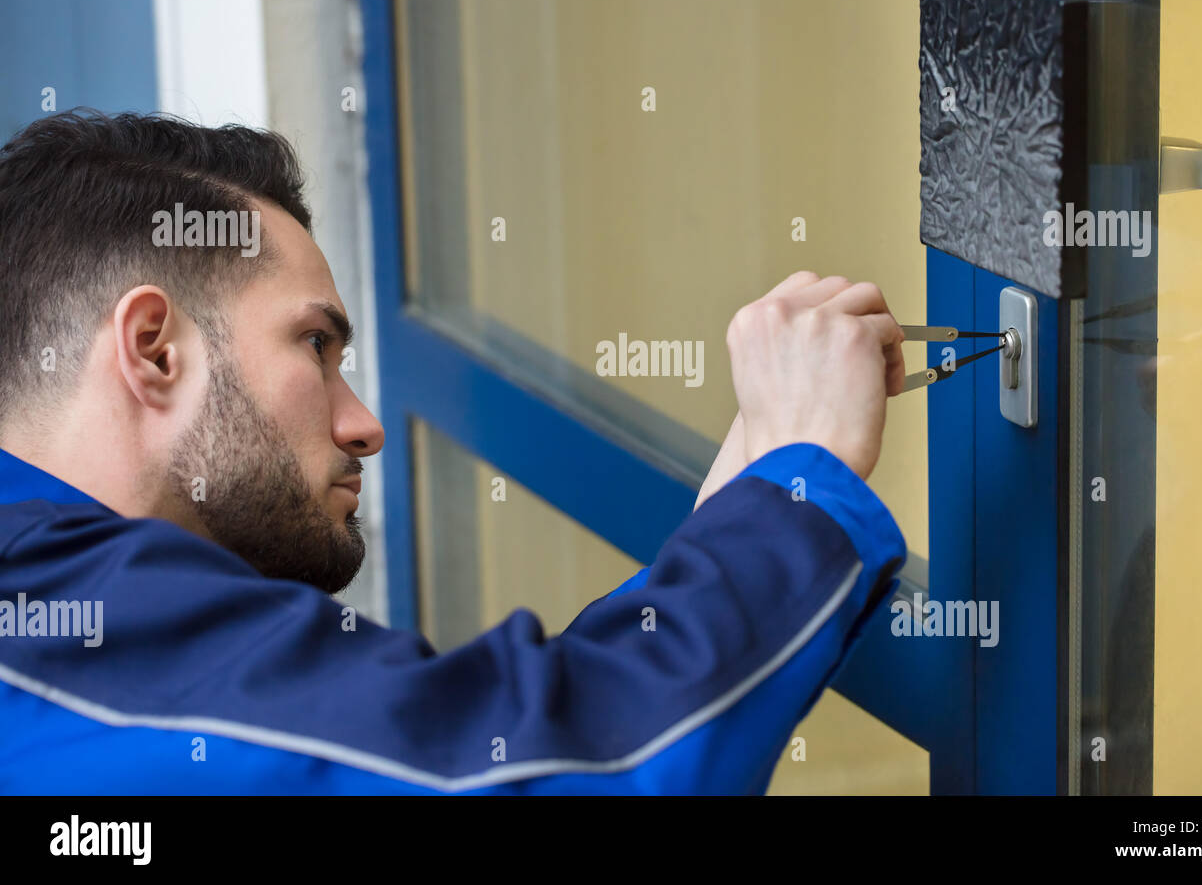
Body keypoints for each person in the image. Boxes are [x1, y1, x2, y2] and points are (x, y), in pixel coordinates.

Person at [0, 110, 908, 794]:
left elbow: (481, 745)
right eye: (315, 345)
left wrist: (742, 510)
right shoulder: (70, 632)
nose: (364, 425)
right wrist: (798, 481)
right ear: (155, 350)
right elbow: (572, 769)